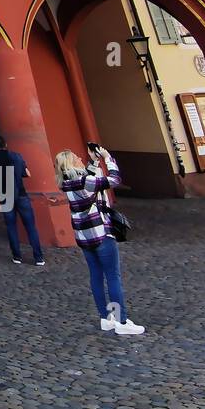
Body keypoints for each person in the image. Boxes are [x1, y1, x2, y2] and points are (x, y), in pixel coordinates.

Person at [56, 143, 145, 336]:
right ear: (72, 164)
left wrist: (94, 160)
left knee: (96, 276)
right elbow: (114, 179)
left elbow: (86, 175)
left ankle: (106, 318)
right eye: (77, 159)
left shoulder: (66, 182)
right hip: (101, 233)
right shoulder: (85, 181)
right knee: (113, 277)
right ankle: (121, 321)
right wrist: (107, 158)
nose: (80, 159)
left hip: (84, 237)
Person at [0, 133, 44, 266]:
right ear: (6, 144)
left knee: (11, 227)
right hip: (21, 194)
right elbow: (27, 174)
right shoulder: (17, 156)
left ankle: (17, 256)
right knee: (30, 227)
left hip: (5, 195)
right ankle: (38, 257)